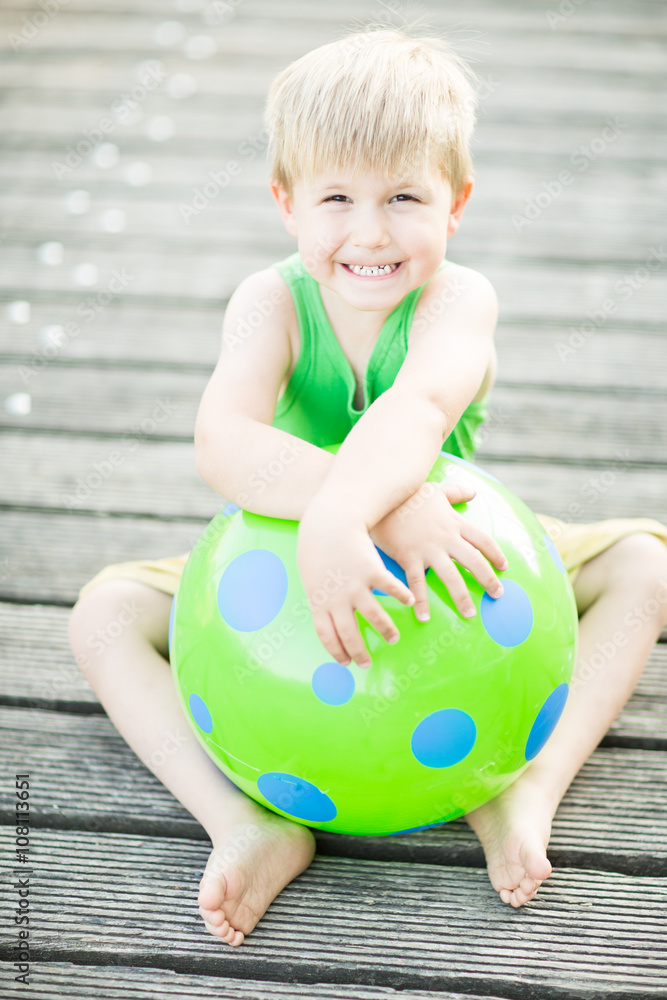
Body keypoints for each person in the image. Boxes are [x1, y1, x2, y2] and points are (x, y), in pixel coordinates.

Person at [68, 27, 667, 948]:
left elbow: (420, 410)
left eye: (403, 197)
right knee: (100, 616)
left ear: (456, 203)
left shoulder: (458, 301)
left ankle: (523, 786)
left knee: (643, 564)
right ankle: (243, 819)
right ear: (286, 202)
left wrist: (356, 512)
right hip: (270, 552)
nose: (370, 231)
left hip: (457, 532)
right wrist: (345, 514)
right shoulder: (267, 304)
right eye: (337, 197)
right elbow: (223, 441)